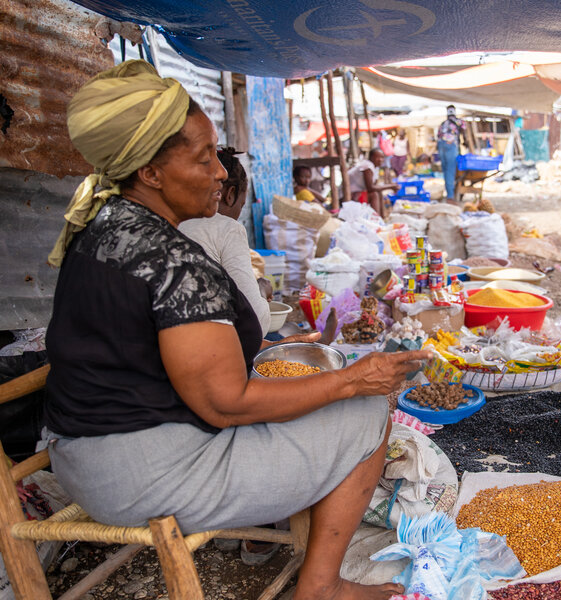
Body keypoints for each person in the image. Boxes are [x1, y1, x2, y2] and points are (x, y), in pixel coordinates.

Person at [44, 60, 428, 600]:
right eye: (204, 158)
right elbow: (225, 405)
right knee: (364, 411)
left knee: (324, 398)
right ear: (151, 173)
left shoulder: (100, 225)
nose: (221, 172)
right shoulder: (174, 259)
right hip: (141, 475)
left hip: (80, 453)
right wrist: (355, 381)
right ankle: (319, 588)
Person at [179, 148, 271, 334]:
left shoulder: (170, 219)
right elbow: (256, 320)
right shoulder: (227, 228)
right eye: (242, 205)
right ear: (230, 194)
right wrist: (260, 290)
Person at [347, 148, 397, 218]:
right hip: (349, 194)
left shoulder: (375, 168)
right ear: (371, 157)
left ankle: (381, 218)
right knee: (374, 194)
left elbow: (375, 186)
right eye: (377, 157)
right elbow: (370, 188)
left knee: (378, 192)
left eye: (382, 157)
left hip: (358, 192)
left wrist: (390, 186)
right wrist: (391, 186)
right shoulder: (367, 166)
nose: (380, 160)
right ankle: (376, 220)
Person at [436, 105, 466, 201]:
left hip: (441, 145)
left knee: (445, 170)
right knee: (450, 170)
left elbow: (438, 136)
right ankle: (450, 196)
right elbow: (464, 131)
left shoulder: (443, 123)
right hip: (451, 145)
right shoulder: (459, 122)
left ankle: (449, 192)